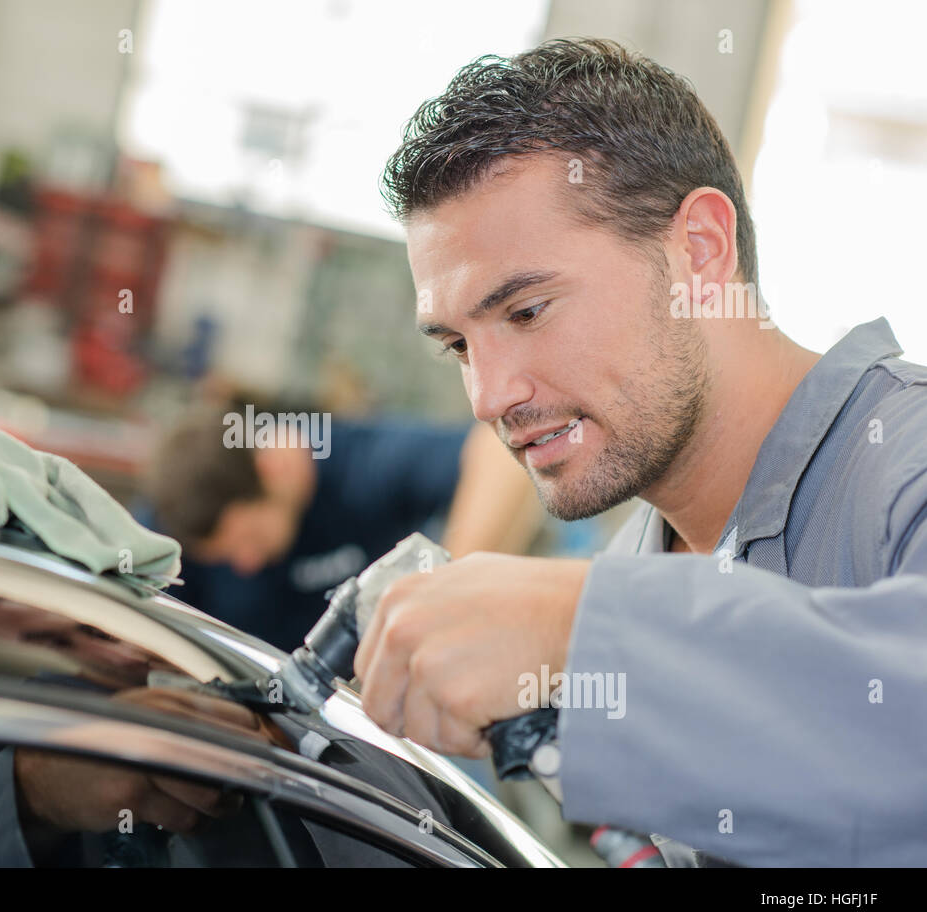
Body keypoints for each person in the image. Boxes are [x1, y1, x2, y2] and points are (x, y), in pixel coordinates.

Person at [351, 38, 927, 867]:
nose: (488, 396)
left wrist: (576, 621)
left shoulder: (903, 465)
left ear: (698, 250)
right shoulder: (639, 559)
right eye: (457, 346)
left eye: (527, 311)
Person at [141, 405, 542, 653]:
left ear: (272, 469)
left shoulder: (356, 465)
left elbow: (495, 450)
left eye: (249, 540)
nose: (244, 564)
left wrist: (447, 601)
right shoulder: (172, 524)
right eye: (227, 556)